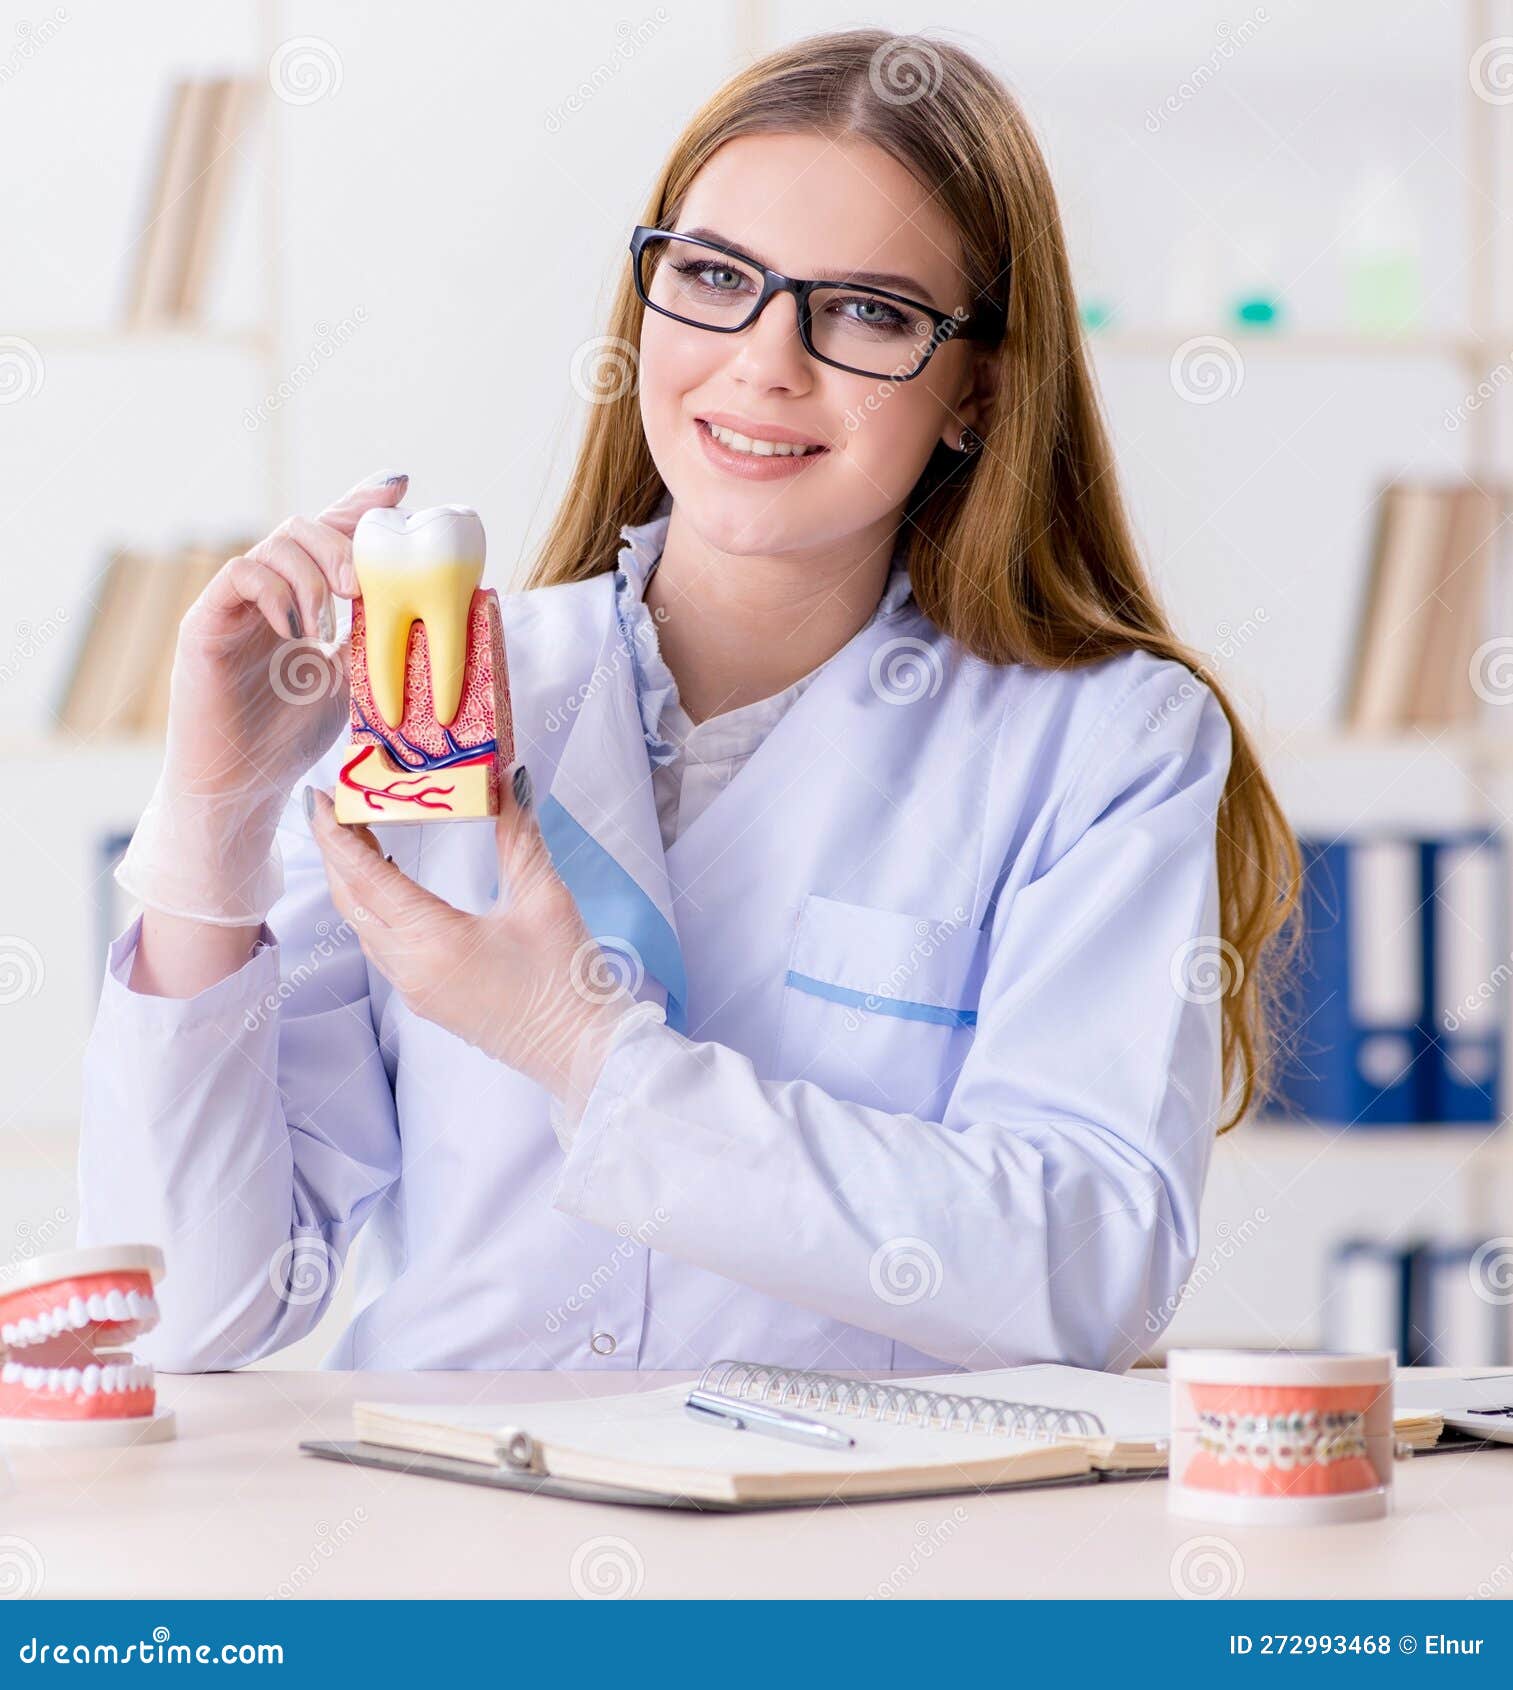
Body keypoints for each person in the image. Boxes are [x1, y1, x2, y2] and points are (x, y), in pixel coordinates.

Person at [78, 28, 1299, 1375]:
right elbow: (185, 1310)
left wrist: (585, 1052)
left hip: (854, 1507)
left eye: (868, 311)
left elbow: (1092, 1265)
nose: (767, 362)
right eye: (716, 277)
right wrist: (213, 822)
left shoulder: (1102, 741)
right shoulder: (436, 700)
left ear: (978, 389)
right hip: (449, 1501)